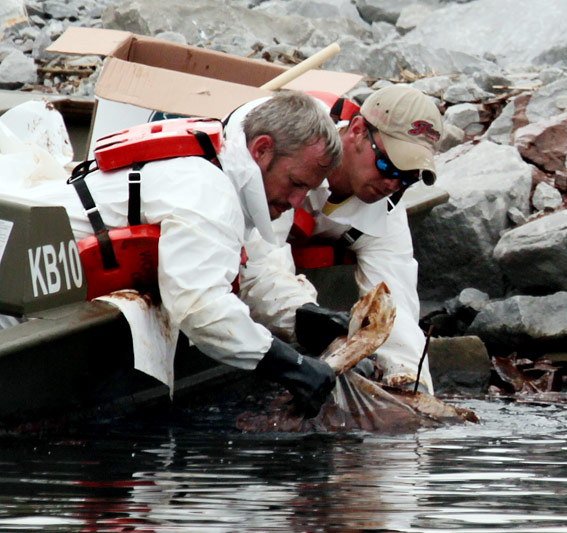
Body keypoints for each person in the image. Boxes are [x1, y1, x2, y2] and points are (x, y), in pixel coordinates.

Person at [17, 91, 345, 416]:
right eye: (296, 183)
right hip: (17, 286)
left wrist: (300, 317)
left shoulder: (228, 174)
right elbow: (201, 308)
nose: (297, 202)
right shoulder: (206, 191)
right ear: (261, 150)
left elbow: (250, 273)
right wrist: (291, 366)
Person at [237, 84, 444, 394]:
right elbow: (258, 269)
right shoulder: (290, 152)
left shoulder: (389, 207)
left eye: (409, 177)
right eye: (388, 165)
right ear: (358, 130)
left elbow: (396, 311)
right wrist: (311, 319)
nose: (393, 183)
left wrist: (410, 388)